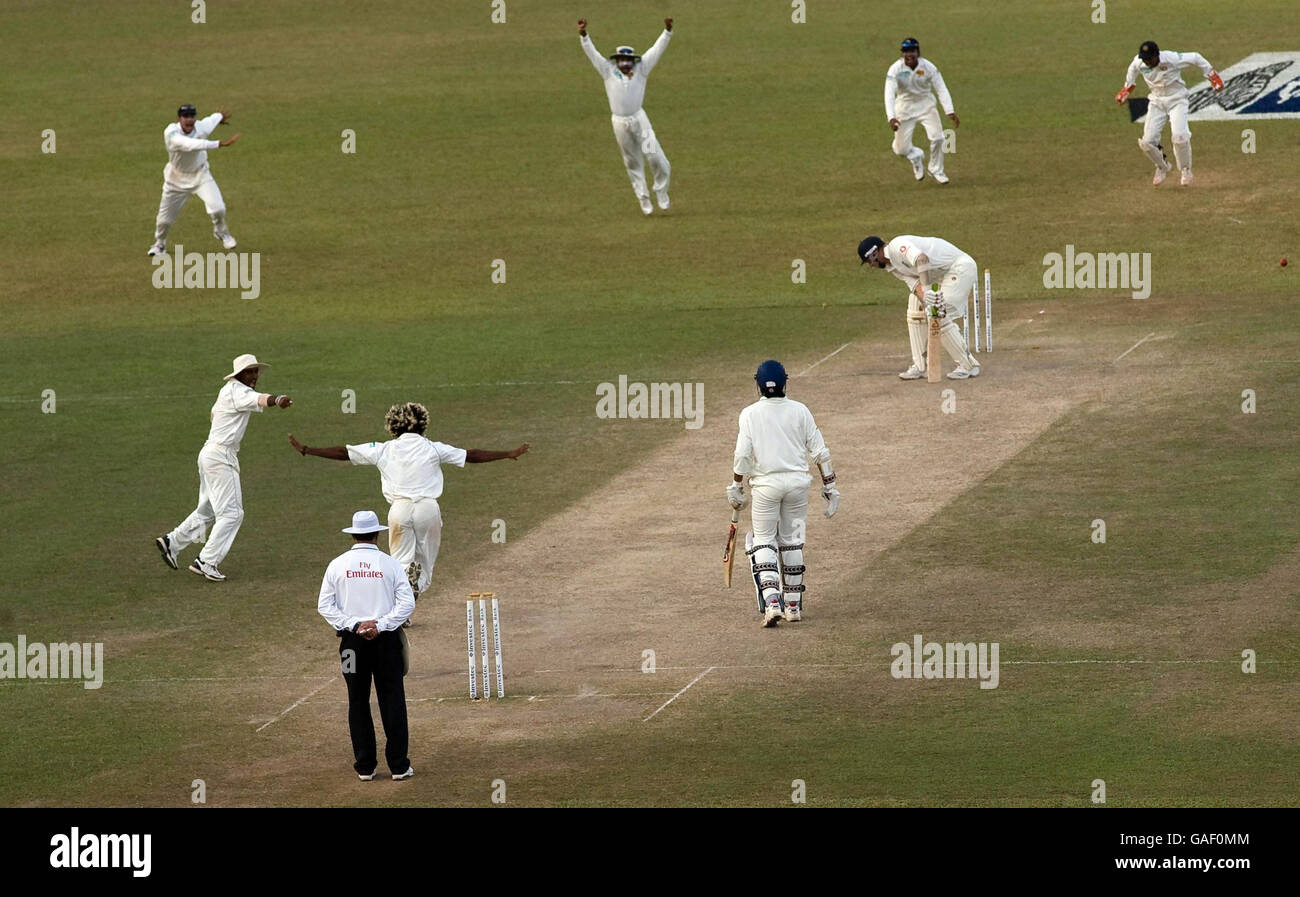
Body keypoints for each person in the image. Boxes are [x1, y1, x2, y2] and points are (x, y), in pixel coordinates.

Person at [287, 403, 529, 617]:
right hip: (428, 509)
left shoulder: (383, 449)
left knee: (400, 564)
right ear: (423, 425)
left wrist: (308, 449)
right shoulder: (433, 448)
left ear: (393, 427)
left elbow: (345, 452)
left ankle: (401, 608)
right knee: (425, 565)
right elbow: (471, 455)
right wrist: (507, 454)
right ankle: (413, 591)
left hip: (399, 511)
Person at [155, 354, 292, 581]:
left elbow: (213, 414)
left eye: (255, 371)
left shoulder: (226, 391)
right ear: (239, 374)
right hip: (221, 457)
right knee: (232, 514)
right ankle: (206, 561)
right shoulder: (238, 391)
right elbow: (261, 399)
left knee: (209, 510)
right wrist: (277, 400)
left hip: (209, 454)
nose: (254, 376)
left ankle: (172, 542)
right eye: (249, 372)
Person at [728, 360, 839, 627]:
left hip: (766, 487)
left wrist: (736, 486)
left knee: (763, 539)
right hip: (798, 485)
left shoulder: (749, 414)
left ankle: (772, 602)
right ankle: (792, 605)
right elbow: (820, 452)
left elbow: (742, 455)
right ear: (785, 383)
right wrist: (830, 486)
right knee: (792, 541)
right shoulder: (800, 410)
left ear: (758, 385)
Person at [317, 510, 415, 782]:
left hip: (351, 645)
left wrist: (355, 625)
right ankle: (398, 766)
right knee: (392, 699)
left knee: (357, 700)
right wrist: (380, 625)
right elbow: (407, 604)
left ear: (354, 535)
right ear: (377, 535)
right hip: (387, 643)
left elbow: (325, 606)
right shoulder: (389, 564)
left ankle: (365, 766)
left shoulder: (337, 565)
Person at [578, 16, 674, 215]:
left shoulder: (642, 68)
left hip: (639, 120)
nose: (624, 64)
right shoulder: (608, 70)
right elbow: (592, 54)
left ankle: (661, 191)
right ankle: (643, 197)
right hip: (619, 123)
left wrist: (667, 32)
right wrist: (583, 34)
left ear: (632, 61)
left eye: (628, 61)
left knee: (655, 157)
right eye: (621, 60)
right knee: (632, 162)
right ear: (617, 60)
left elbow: (656, 50)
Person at [858, 234, 980, 381]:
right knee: (916, 305)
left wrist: (929, 293)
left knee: (938, 312)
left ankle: (968, 365)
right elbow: (917, 287)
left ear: (874, 254)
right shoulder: (893, 268)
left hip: (960, 268)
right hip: (943, 275)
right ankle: (920, 366)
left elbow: (922, 259)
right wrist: (927, 301)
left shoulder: (897, 245)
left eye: (869, 261)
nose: (871, 265)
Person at [1116, 41, 1223, 186]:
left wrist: (1213, 76)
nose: (1146, 62)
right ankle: (1162, 166)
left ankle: (1185, 170)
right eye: (1144, 59)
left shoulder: (1170, 58)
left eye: (1149, 59)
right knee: (1147, 142)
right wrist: (1126, 90)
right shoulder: (1139, 62)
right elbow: (1132, 71)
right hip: (1156, 102)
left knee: (1180, 137)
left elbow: (1196, 57)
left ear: (1157, 55)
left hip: (1177, 100)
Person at [147, 104, 243, 256]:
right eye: (185, 116)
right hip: (175, 179)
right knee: (164, 221)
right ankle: (160, 244)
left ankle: (221, 232)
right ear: (179, 118)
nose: (189, 120)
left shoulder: (200, 127)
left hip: (200, 175)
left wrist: (219, 117)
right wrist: (218, 144)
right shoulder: (171, 133)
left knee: (218, 208)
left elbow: (210, 121)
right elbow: (190, 145)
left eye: (192, 116)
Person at [884, 38, 959, 184]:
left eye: (912, 51)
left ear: (918, 52)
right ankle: (916, 156)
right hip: (904, 108)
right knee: (901, 150)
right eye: (906, 52)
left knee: (938, 138)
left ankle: (936, 170)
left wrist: (949, 110)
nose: (909, 55)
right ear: (902, 54)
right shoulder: (895, 69)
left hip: (926, 106)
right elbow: (889, 93)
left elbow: (941, 88)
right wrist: (891, 117)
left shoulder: (928, 67)